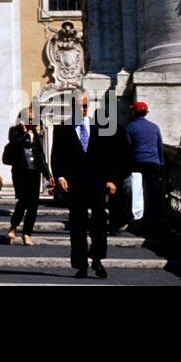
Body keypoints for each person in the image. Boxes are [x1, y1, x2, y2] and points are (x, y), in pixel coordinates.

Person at [51, 91, 126, 279]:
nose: (82, 110)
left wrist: (111, 179)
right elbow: (56, 156)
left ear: (88, 106)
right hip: (75, 185)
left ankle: (98, 260)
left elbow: (109, 156)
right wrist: (60, 177)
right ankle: (81, 264)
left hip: (97, 183)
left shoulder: (100, 127)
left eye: (84, 106)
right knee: (77, 225)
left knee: (100, 223)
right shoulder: (62, 129)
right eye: (78, 107)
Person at [4, 108, 52, 245]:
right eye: (29, 119)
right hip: (20, 172)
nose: (32, 122)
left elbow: (41, 157)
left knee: (33, 205)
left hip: (34, 172)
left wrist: (48, 175)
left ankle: (27, 233)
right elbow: (15, 143)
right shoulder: (15, 131)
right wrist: (24, 131)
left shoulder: (36, 135)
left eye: (34, 119)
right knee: (23, 200)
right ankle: (13, 225)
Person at [123, 101, 165, 234]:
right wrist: (161, 163)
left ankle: (137, 218)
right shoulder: (154, 127)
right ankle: (155, 218)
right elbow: (160, 147)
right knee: (153, 191)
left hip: (137, 162)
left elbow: (127, 147)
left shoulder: (129, 127)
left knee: (137, 191)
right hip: (153, 162)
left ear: (133, 112)